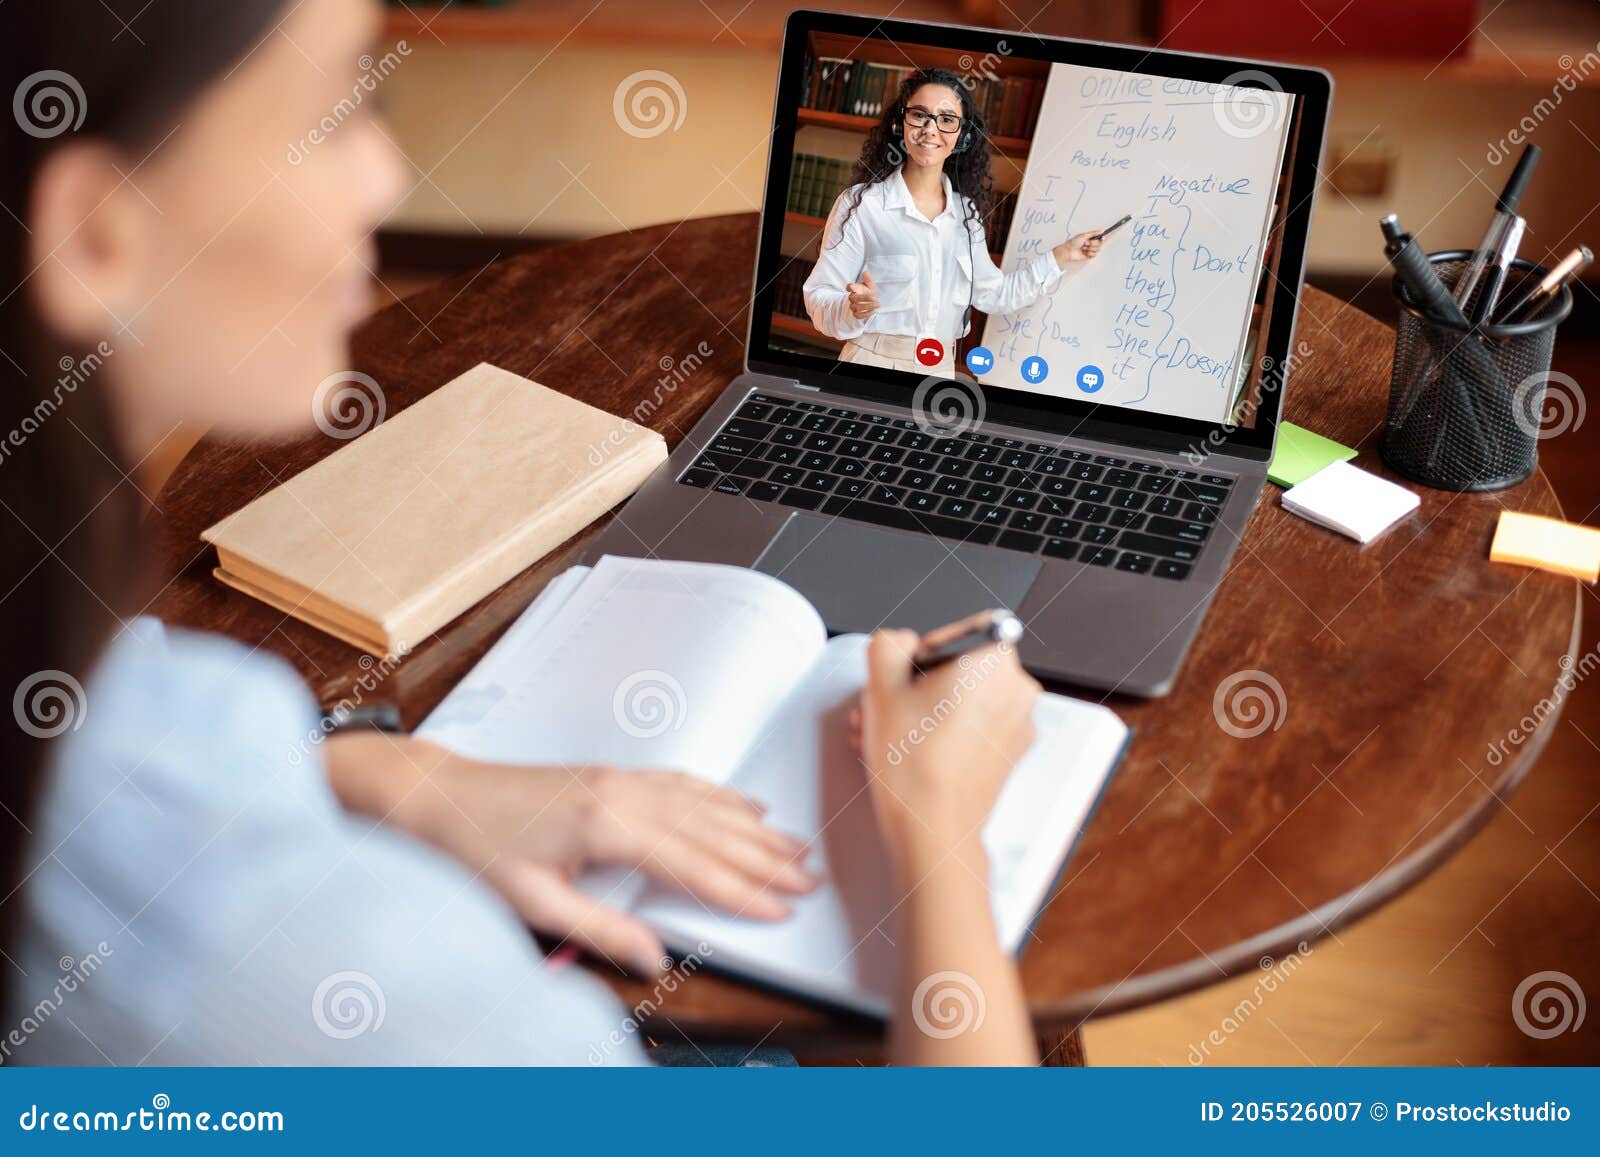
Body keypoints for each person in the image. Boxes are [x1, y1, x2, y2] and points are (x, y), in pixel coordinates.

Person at [0, 0, 1044, 1066]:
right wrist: (939, 823)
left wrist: (402, 777)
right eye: (328, 117)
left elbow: (999, 296)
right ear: (94, 233)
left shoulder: (93, 675)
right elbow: (825, 304)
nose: (384, 178)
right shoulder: (340, 986)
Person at [803, 68, 1103, 375]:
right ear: (900, 124)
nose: (931, 130)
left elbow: (996, 294)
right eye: (920, 115)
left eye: (947, 120)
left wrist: (1064, 254)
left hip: (939, 369)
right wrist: (851, 309)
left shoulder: (966, 215)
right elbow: (819, 297)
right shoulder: (862, 204)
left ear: (962, 135)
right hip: (871, 363)